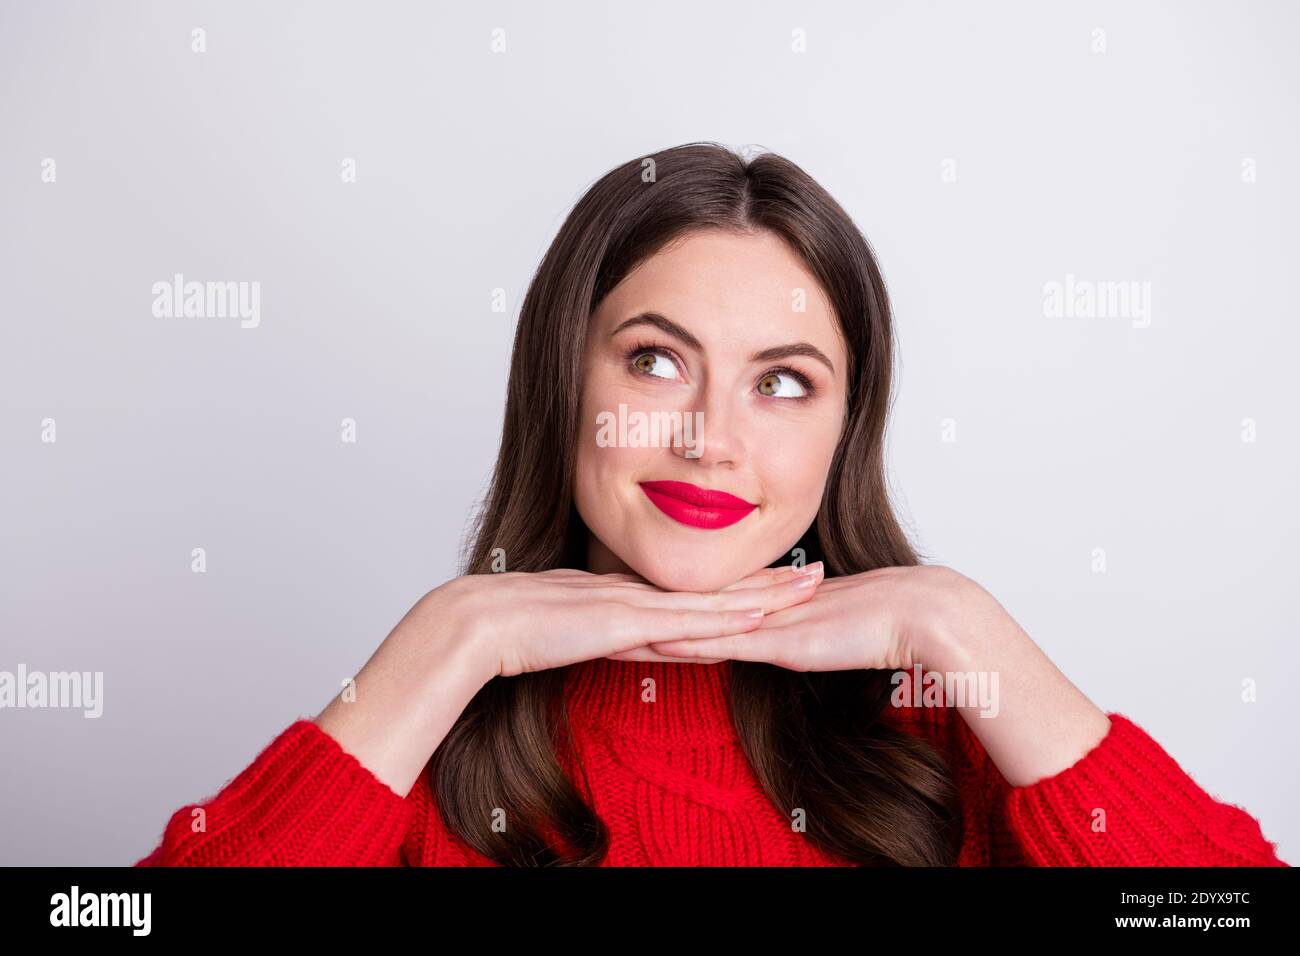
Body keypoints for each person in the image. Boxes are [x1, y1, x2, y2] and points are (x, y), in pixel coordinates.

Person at [136, 142, 1287, 867]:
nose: (708, 437)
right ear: (563, 379)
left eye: (782, 381)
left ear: (846, 431)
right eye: (652, 359)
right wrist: (450, 636)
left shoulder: (948, 742)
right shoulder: (412, 746)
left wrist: (966, 626)